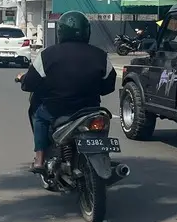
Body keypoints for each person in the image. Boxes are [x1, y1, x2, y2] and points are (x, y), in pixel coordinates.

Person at [19, 10, 116, 175]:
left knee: (39, 116)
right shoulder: (101, 55)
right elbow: (108, 86)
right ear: (87, 32)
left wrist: (22, 78)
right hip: (89, 110)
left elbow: (29, 84)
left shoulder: (47, 55)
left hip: (56, 111)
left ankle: (40, 158)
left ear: (60, 32)